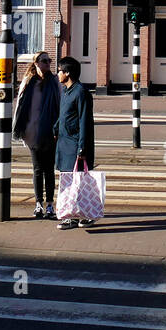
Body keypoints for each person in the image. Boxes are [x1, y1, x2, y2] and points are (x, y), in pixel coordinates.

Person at [14, 52, 60, 218]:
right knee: (37, 169)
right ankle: (38, 203)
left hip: (50, 132)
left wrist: (58, 129)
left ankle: (50, 204)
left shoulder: (55, 82)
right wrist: (21, 130)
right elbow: (20, 107)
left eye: (49, 61)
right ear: (36, 63)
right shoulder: (28, 82)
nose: (48, 63)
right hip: (32, 133)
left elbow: (60, 106)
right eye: (44, 61)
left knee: (49, 170)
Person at [54, 55, 96, 229]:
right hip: (64, 144)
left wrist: (82, 148)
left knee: (78, 183)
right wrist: (56, 128)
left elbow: (84, 121)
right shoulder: (66, 91)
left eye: (59, 71)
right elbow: (64, 115)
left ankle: (81, 215)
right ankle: (73, 215)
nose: (58, 74)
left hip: (75, 145)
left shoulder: (81, 93)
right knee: (68, 182)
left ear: (67, 73)